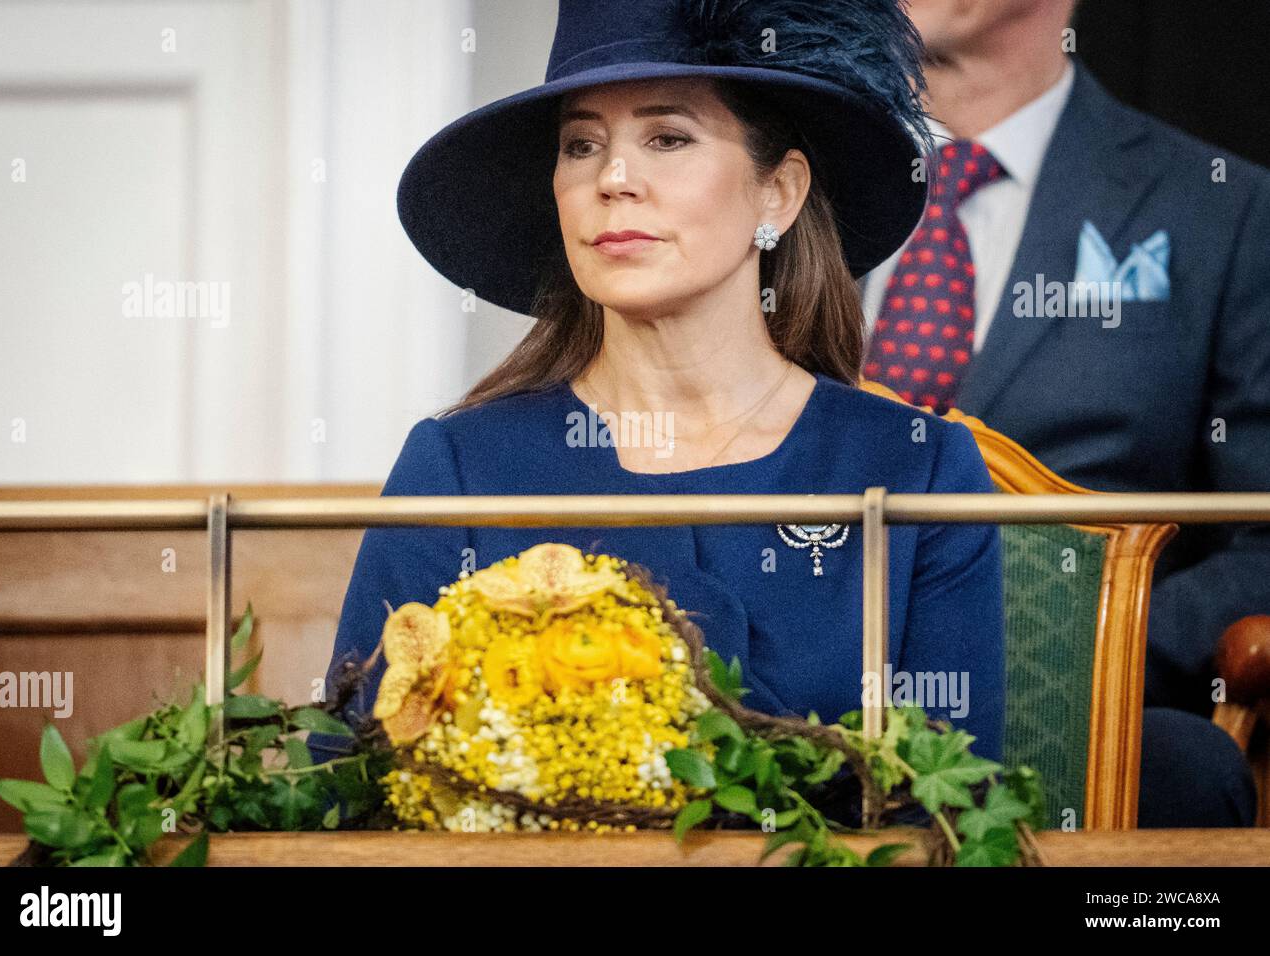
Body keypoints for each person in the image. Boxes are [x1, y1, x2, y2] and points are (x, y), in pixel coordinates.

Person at [309, 0, 1007, 773]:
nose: (612, 179)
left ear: (779, 193)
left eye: (667, 138)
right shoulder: (459, 467)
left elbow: (953, 811)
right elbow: (351, 789)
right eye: (581, 145)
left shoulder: (916, 467)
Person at [862, 0, 1267, 826]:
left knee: (1179, 771)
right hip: (791, 699)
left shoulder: (1225, 211)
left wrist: (1078, 645)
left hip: (1083, 724)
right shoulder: (770, 180)